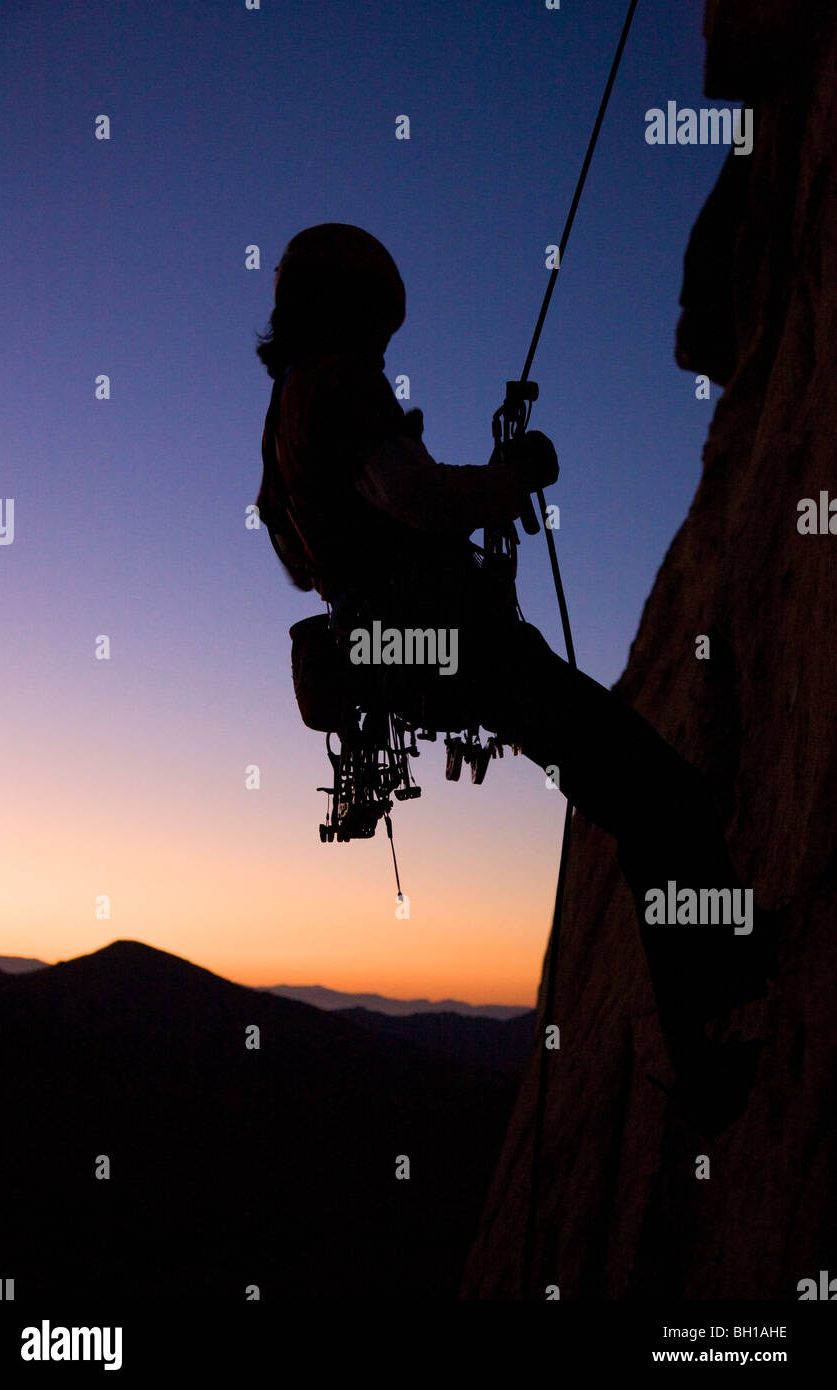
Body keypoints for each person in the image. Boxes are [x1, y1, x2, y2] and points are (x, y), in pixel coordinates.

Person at [255, 222, 776, 1130]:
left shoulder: (285, 414)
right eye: (379, 324)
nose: (384, 344)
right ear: (351, 309)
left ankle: (724, 984)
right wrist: (514, 476)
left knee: (637, 790)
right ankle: (710, 1040)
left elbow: (305, 561)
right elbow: (417, 497)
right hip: (457, 647)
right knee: (658, 794)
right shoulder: (340, 384)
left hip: (409, 661)